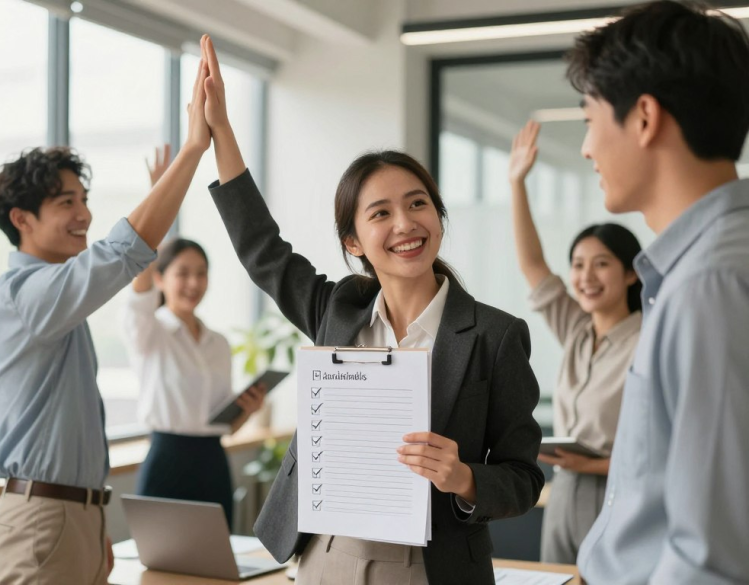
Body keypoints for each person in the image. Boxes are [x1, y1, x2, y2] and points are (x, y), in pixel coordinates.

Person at [198, 35, 543, 584]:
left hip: (430, 565)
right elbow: (262, 251)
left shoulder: (495, 336)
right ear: (354, 241)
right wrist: (221, 131)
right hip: (326, 554)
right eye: (380, 213)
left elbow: (524, 478)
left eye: (417, 204)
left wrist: (462, 478)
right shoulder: (338, 309)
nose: (405, 225)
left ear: (438, 217)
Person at [0, 41, 213, 585]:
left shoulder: (55, 295)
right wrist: (193, 150)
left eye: (85, 200)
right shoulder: (25, 294)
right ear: (22, 218)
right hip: (42, 519)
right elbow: (123, 253)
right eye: (66, 203)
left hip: (72, 516)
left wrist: (87, 518)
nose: (85, 214)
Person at [566, 2, 749, 583]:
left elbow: (711, 558)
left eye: (590, 120)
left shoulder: (710, 285)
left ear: (644, 117)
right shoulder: (702, 269)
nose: (586, 148)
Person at [508, 120, 643, 564]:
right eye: (578, 264)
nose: (585, 276)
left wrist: (597, 465)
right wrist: (516, 183)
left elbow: (671, 444)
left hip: (620, 491)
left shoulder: (652, 335)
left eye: (601, 264)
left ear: (630, 273)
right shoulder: (577, 329)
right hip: (564, 489)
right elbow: (532, 265)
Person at [119, 147, 266, 528]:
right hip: (166, 458)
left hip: (213, 461)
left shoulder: (218, 342)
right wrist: (156, 201)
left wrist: (246, 410)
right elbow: (138, 282)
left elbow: (222, 424)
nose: (193, 283)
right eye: (182, 273)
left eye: (201, 273)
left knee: (215, 565)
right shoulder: (150, 331)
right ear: (160, 279)